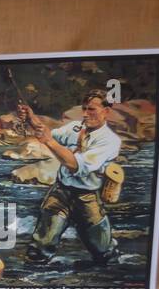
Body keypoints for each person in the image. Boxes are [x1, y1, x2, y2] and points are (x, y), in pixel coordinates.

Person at [20, 90, 123, 266]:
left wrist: (49, 142)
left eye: (91, 109)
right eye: (84, 108)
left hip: (87, 199)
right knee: (39, 249)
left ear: (106, 111)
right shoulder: (75, 127)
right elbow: (48, 134)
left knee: (104, 253)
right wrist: (31, 118)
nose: (85, 114)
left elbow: (77, 165)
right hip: (60, 193)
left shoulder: (110, 141)